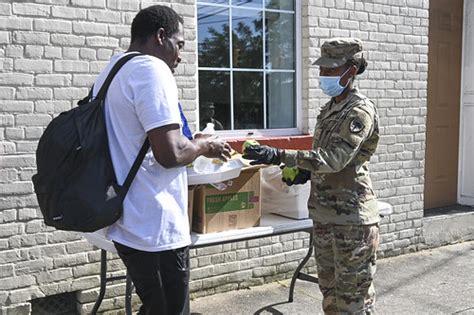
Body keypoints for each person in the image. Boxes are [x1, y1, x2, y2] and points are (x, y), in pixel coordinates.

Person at [91, 5, 232, 315]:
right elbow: (171, 154)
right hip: (155, 227)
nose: (180, 56)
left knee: (155, 307)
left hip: (127, 217)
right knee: (170, 309)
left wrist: (193, 143)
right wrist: (203, 146)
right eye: (179, 45)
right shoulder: (151, 70)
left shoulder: (112, 71)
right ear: (160, 36)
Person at [243, 38, 380, 314]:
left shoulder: (358, 111)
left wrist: (280, 155)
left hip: (352, 222)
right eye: (323, 69)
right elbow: (320, 156)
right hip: (325, 217)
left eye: (330, 70)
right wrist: (304, 172)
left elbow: (334, 159)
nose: (323, 75)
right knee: (330, 296)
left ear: (350, 71)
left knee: (353, 302)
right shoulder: (330, 110)